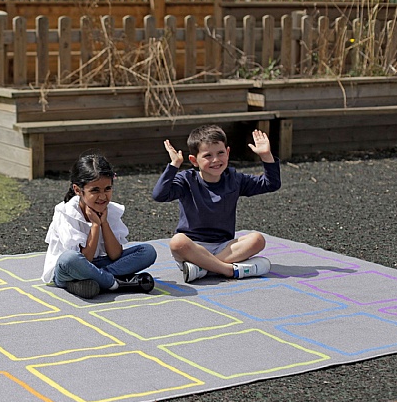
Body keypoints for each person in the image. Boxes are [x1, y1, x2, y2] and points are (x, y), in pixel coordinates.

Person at [152, 125, 281, 282]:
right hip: (193, 248)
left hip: (225, 247)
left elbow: (270, 184)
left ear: (227, 152)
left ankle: (203, 269)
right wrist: (174, 165)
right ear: (194, 160)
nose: (216, 160)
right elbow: (159, 195)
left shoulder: (234, 179)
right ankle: (228, 270)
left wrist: (266, 155)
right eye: (207, 156)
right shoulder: (186, 180)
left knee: (257, 239)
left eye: (220, 153)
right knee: (177, 242)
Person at [42, 152, 157, 299]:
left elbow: (115, 255)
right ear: (78, 190)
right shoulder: (66, 213)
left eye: (107, 189)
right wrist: (95, 226)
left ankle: (94, 280)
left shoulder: (111, 209)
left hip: (98, 265)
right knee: (69, 258)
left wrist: (104, 223)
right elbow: (84, 258)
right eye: (95, 190)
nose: (102, 197)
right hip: (71, 269)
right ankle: (113, 283)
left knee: (147, 251)